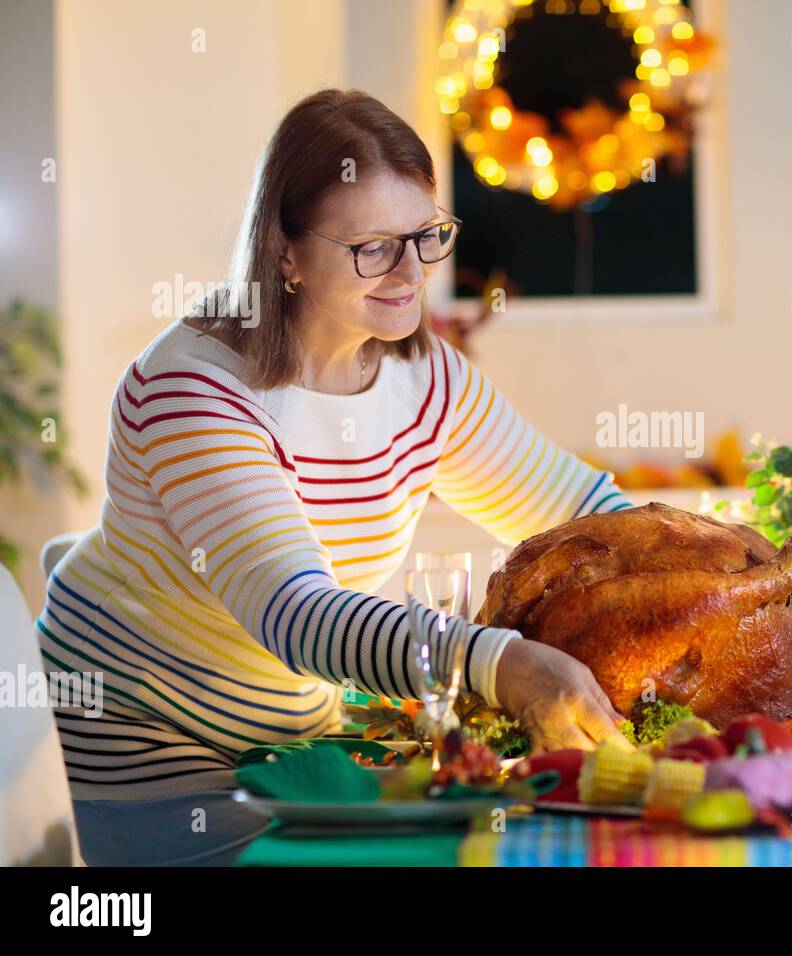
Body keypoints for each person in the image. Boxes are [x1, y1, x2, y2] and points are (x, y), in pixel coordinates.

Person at [35, 88, 635, 866]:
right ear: (284, 251)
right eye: (373, 248)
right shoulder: (192, 391)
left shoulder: (429, 378)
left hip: (294, 760)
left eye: (426, 236)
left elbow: (586, 517)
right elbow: (295, 614)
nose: (412, 271)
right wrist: (503, 663)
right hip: (149, 773)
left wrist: (729, 570)